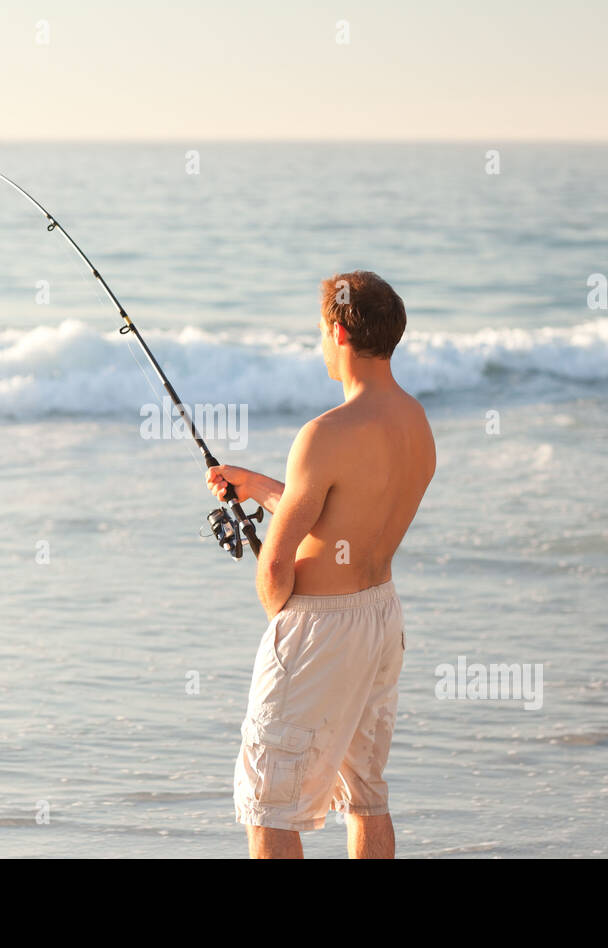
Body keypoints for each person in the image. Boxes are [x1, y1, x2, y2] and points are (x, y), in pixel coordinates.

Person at [207, 270, 435, 859]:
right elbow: (345, 520)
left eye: (319, 330)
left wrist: (279, 612)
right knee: (365, 794)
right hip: (380, 618)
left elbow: (277, 564)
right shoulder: (416, 424)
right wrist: (258, 486)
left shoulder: (324, 434)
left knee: (269, 804)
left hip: (318, 633)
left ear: (337, 330)